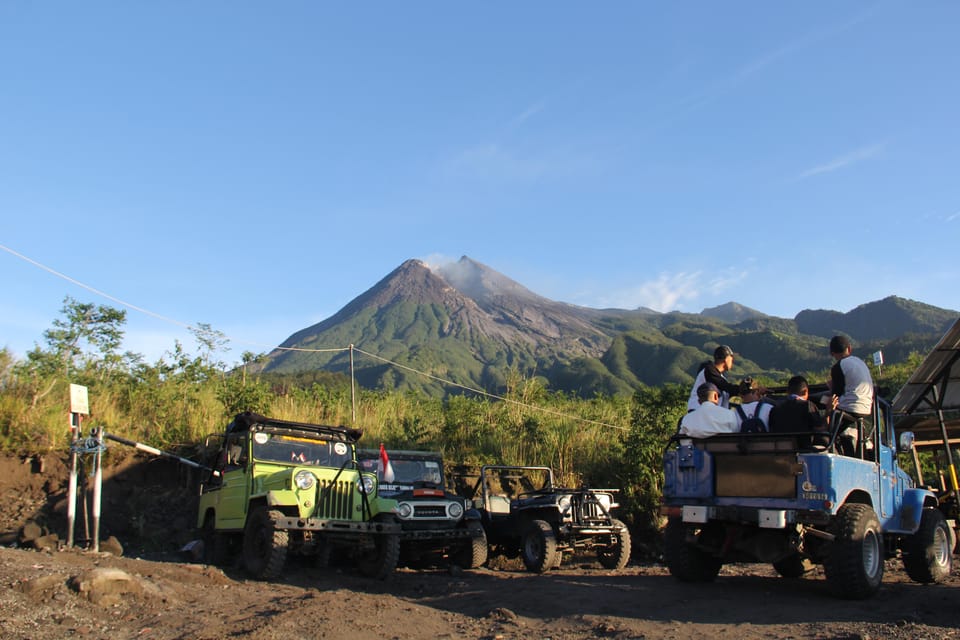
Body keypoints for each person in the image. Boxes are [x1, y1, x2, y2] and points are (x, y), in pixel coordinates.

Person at [827, 335, 874, 456]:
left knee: (828, 431)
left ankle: (839, 452)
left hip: (850, 407)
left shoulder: (839, 366)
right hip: (866, 407)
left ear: (832, 353)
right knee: (841, 430)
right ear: (849, 348)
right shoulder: (860, 362)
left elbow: (836, 394)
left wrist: (831, 387)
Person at [768, 375, 828, 448]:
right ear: (805, 391)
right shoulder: (807, 406)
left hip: (781, 451)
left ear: (787, 391)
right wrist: (829, 411)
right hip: (804, 450)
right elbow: (821, 429)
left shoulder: (775, 409)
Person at [687, 345, 751, 411]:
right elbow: (725, 386)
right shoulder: (709, 370)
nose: (733, 360)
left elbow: (729, 390)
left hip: (709, 413)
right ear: (726, 359)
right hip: (698, 410)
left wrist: (747, 389)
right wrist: (742, 388)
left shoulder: (718, 376)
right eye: (731, 357)